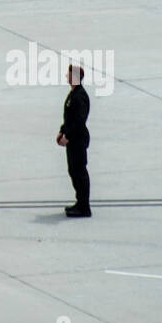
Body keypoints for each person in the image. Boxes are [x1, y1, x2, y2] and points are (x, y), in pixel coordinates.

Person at [58, 64, 91, 217]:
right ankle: (80, 202)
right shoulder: (73, 94)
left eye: (69, 74)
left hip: (77, 140)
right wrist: (62, 131)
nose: (67, 76)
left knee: (79, 172)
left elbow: (79, 120)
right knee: (73, 171)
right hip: (72, 140)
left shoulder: (80, 96)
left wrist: (68, 136)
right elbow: (69, 118)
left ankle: (84, 207)